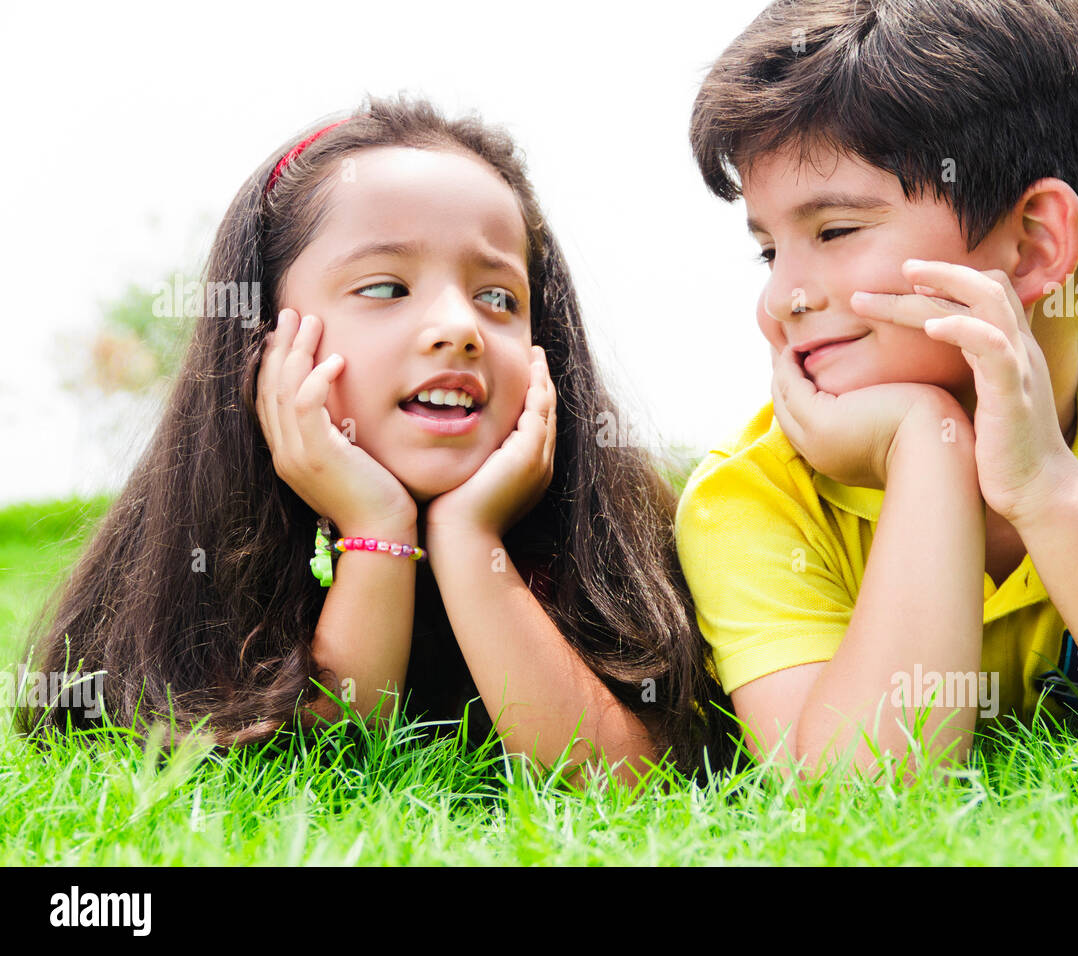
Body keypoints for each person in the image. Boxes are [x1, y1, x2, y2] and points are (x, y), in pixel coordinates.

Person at [20, 93, 734, 785]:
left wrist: (469, 540)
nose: (458, 326)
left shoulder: (618, 548)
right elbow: (307, 786)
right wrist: (376, 530)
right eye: (387, 289)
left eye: (498, 298)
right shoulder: (200, 564)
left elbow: (626, 785)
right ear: (266, 336)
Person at [676, 0, 1078, 778]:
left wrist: (1045, 486)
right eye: (770, 251)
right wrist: (925, 446)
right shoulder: (752, 497)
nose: (782, 300)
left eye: (834, 232)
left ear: (1035, 245)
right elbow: (859, 804)